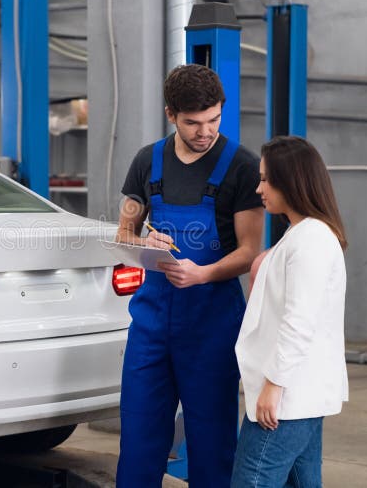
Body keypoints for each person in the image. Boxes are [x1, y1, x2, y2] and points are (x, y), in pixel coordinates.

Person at [115, 64, 264, 487]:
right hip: (151, 324)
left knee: (212, 442)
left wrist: (204, 274)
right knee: (139, 435)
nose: (206, 131)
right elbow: (124, 233)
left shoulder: (242, 166)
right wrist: (144, 240)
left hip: (211, 324)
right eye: (193, 123)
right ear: (171, 115)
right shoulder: (147, 161)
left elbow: (249, 251)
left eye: (214, 119)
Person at [231, 136, 349, 487]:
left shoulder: (311, 239)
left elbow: (299, 321)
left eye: (266, 179)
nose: (259, 188)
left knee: (251, 481)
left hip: (288, 397)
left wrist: (273, 386)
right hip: (297, 396)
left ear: (291, 181)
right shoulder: (302, 233)